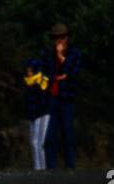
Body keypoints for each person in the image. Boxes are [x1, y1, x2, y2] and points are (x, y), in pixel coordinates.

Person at [36, 23, 82, 170]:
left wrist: (61, 58)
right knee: (49, 136)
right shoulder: (47, 53)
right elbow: (43, 73)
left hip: (66, 98)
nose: (59, 40)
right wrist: (58, 76)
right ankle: (51, 167)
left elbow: (73, 73)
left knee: (67, 134)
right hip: (51, 99)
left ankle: (70, 166)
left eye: (62, 37)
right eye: (56, 37)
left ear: (67, 37)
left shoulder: (74, 53)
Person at [22, 56, 51, 170]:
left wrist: (35, 114)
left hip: (42, 114)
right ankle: (37, 167)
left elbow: (43, 100)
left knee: (38, 143)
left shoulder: (42, 81)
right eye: (27, 70)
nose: (29, 73)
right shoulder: (27, 82)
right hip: (33, 115)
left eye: (31, 70)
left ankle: (41, 168)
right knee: (33, 143)